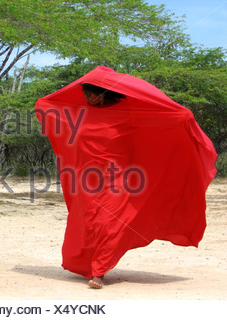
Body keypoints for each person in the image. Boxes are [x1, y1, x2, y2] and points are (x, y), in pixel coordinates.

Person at [35, 66, 217, 289]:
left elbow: (174, 117)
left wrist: (184, 116)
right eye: (86, 94)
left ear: (105, 93)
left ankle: (98, 272)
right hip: (87, 180)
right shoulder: (78, 112)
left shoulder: (129, 113)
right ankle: (89, 265)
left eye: (93, 93)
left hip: (120, 179)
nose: (88, 98)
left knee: (109, 223)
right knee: (90, 223)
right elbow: (48, 108)